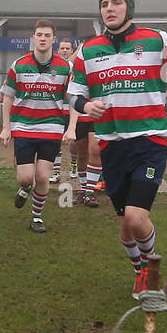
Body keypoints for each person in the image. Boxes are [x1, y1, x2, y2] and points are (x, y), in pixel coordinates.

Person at [67, 0, 167, 299]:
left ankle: (150, 271)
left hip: (149, 142)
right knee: (126, 225)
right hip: (111, 146)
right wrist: (87, 106)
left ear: (129, 8)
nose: (109, 9)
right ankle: (140, 272)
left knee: (135, 217)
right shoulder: (88, 50)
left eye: (116, 3)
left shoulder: (156, 40)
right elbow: (73, 95)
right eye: (104, 4)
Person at [0, 20, 72, 233]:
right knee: (25, 177)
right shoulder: (18, 65)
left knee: (42, 176)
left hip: (52, 127)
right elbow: (7, 98)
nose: (42, 38)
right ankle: (25, 188)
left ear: (53, 39)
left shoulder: (66, 67)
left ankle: (36, 217)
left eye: (47, 35)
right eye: (39, 34)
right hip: (23, 127)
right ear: (33, 38)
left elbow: (73, 98)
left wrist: (72, 127)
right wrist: (6, 127)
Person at [58, 36, 101, 207]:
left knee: (95, 150)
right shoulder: (74, 63)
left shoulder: (103, 61)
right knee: (80, 152)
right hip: (78, 111)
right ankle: (84, 189)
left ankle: (91, 191)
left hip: (97, 112)